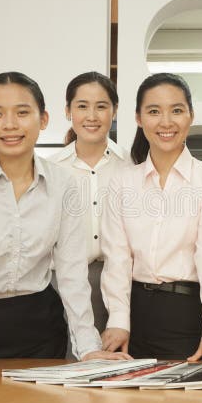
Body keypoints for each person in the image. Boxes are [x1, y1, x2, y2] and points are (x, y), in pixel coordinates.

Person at [0, 72, 128, 375]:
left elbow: (71, 272)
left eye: (22, 112)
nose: (10, 124)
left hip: (42, 325)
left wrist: (88, 347)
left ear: (43, 119)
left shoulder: (63, 182)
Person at [99, 73, 202, 364]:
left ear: (191, 116)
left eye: (176, 110)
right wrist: (118, 319)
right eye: (154, 111)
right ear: (138, 118)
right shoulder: (122, 182)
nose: (166, 122)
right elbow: (117, 257)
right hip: (132, 317)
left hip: (186, 315)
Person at [48, 72, 128, 333]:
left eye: (101, 106)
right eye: (82, 106)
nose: (91, 116)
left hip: (118, 283)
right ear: (68, 111)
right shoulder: (49, 169)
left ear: (114, 111)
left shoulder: (131, 165)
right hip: (61, 282)